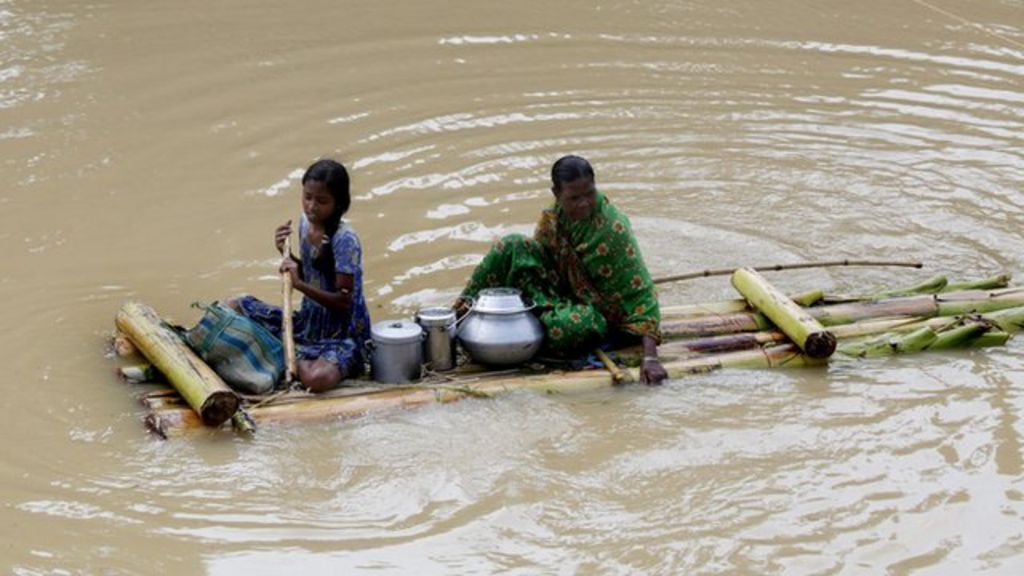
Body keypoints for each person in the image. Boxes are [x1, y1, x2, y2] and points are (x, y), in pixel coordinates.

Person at [456, 155, 668, 384]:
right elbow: (538, 262)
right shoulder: (554, 216)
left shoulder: (612, 229)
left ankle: (526, 336)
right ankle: (457, 318)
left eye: (589, 194)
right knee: (511, 245)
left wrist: (650, 358)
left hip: (595, 315)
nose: (584, 203)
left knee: (573, 326)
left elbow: (642, 298)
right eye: (574, 198)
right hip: (556, 298)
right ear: (557, 194)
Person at [227, 159, 371, 392]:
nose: (312, 206)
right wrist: (286, 254)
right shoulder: (305, 223)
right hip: (308, 322)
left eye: (322, 201)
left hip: (340, 336)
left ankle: (283, 350)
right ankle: (289, 348)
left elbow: (344, 302)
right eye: (307, 197)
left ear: (339, 204)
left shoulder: (345, 240)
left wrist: (300, 285)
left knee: (316, 379)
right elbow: (312, 272)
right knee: (234, 305)